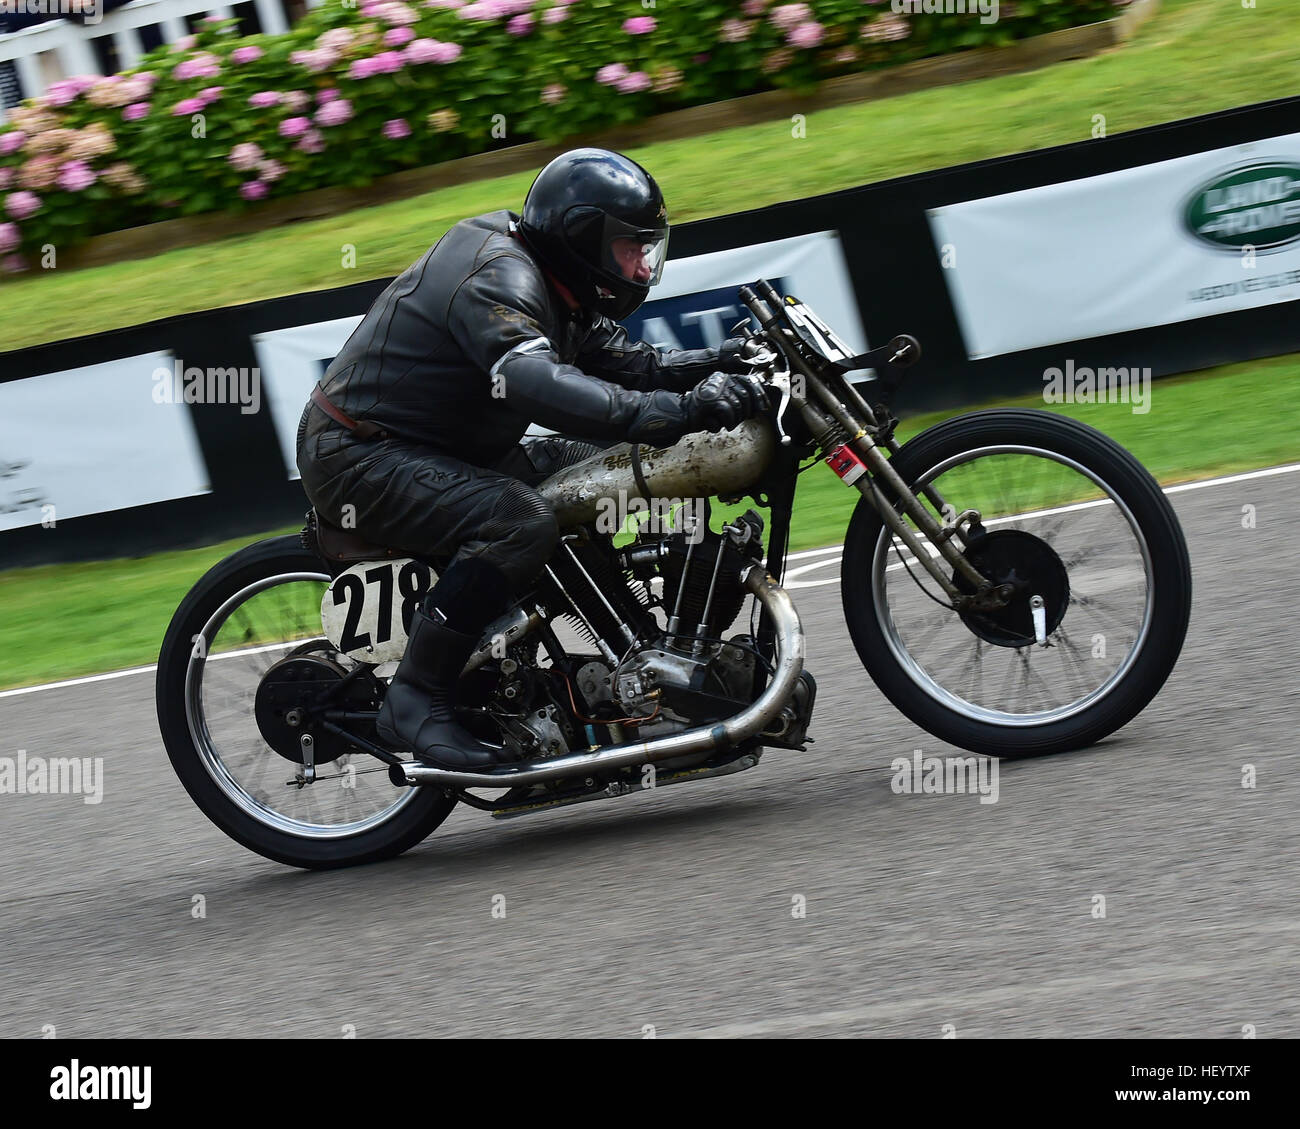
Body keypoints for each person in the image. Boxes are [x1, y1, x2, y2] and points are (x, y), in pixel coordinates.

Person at [296, 147, 769, 771]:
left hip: (449, 448)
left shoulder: (561, 284)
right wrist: (674, 413)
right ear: (582, 240)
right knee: (519, 520)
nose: (642, 265)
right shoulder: (500, 276)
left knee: (599, 466)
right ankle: (414, 697)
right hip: (361, 453)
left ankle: (646, 668)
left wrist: (726, 359)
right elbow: (534, 382)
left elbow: (640, 366)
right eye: (631, 248)